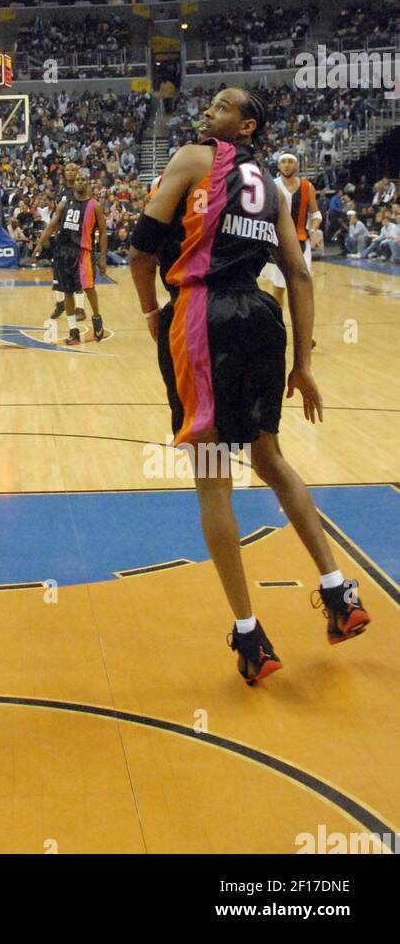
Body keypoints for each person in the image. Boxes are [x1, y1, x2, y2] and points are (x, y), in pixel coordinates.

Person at [129, 87, 370, 685]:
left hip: (201, 317)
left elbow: (138, 251)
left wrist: (151, 314)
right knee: (270, 457)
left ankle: (249, 636)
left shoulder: (192, 157)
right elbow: (298, 273)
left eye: (225, 104)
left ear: (248, 124)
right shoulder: (277, 186)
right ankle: (338, 592)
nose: (210, 108)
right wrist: (305, 361)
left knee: (213, 475)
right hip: (263, 322)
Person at [33, 169, 108, 342]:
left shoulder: (94, 206)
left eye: (83, 179)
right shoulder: (63, 204)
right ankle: (73, 330)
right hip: (63, 252)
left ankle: (97, 319)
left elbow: (103, 233)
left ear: (87, 182)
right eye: (78, 180)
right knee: (67, 292)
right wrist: (39, 245)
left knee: (88, 288)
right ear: (74, 183)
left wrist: (103, 257)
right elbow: (51, 226)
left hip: (83, 253)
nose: (80, 182)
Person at [260, 153, 319, 311]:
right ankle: (279, 328)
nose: (287, 165)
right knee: (279, 288)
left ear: (296, 165)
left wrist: (314, 229)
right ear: (278, 166)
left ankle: (305, 334)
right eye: (283, 162)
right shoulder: (271, 185)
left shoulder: (307, 187)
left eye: (290, 162)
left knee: (303, 286)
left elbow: (316, 214)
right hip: (278, 242)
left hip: (302, 241)